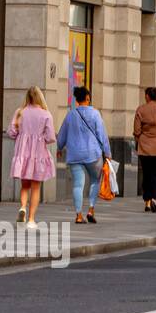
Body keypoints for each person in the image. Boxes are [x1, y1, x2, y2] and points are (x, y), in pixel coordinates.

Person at [56, 86, 112, 225]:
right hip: (93, 154)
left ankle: (78, 215)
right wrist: (108, 153)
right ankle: (91, 210)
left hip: (75, 154)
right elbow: (102, 135)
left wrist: (59, 147)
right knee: (95, 181)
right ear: (87, 98)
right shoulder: (95, 114)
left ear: (76, 99)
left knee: (78, 185)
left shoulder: (70, 115)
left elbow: (62, 133)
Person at [6, 86, 56, 230]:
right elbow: (51, 136)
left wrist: (21, 135)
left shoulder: (20, 112)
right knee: (35, 187)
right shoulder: (46, 114)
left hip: (22, 152)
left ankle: (22, 207)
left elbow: (11, 132)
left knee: (25, 185)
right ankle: (31, 220)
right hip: (38, 154)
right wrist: (41, 138)